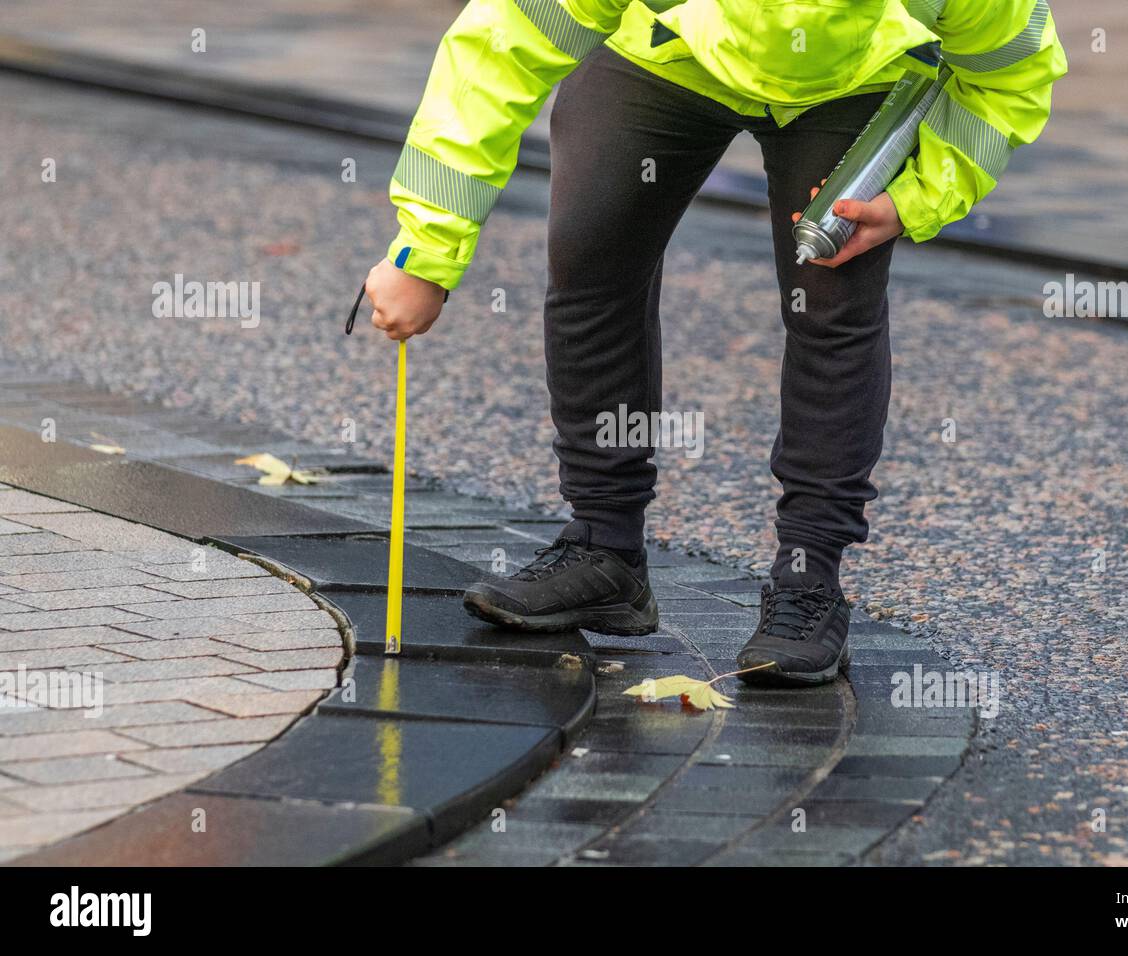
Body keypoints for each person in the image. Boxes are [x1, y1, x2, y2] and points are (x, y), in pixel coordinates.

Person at [364, 0, 1067, 686]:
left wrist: (914, 198)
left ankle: (809, 577)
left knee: (831, 301)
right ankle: (604, 551)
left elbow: (1012, 72)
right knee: (592, 250)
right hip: (672, 50)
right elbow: (501, 45)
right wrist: (424, 252)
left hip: (857, 78)